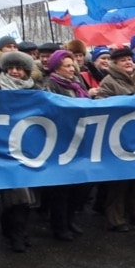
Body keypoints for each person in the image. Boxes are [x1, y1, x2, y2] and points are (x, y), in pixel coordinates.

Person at [96, 47, 135, 231]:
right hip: (118, 137)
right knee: (119, 181)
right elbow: (101, 104)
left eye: (129, 59)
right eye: (123, 60)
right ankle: (117, 218)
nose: (128, 62)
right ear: (115, 64)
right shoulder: (109, 82)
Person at [0, 51, 38, 252]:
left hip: (28, 147)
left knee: (25, 193)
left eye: (19, 68)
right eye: (11, 68)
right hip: (3, 146)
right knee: (14, 192)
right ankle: (16, 234)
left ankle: (17, 230)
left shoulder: (35, 89)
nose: (15, 72)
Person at [42, 49, 92, 242]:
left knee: (79, 186)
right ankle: (59, 225)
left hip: (80, 139)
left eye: (73, 65)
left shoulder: (78, 84)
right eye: (68, 66)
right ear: (57, 68)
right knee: (61, 189)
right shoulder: (50, 86)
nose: (73, 69)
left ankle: (70, 219)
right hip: (60, 143)